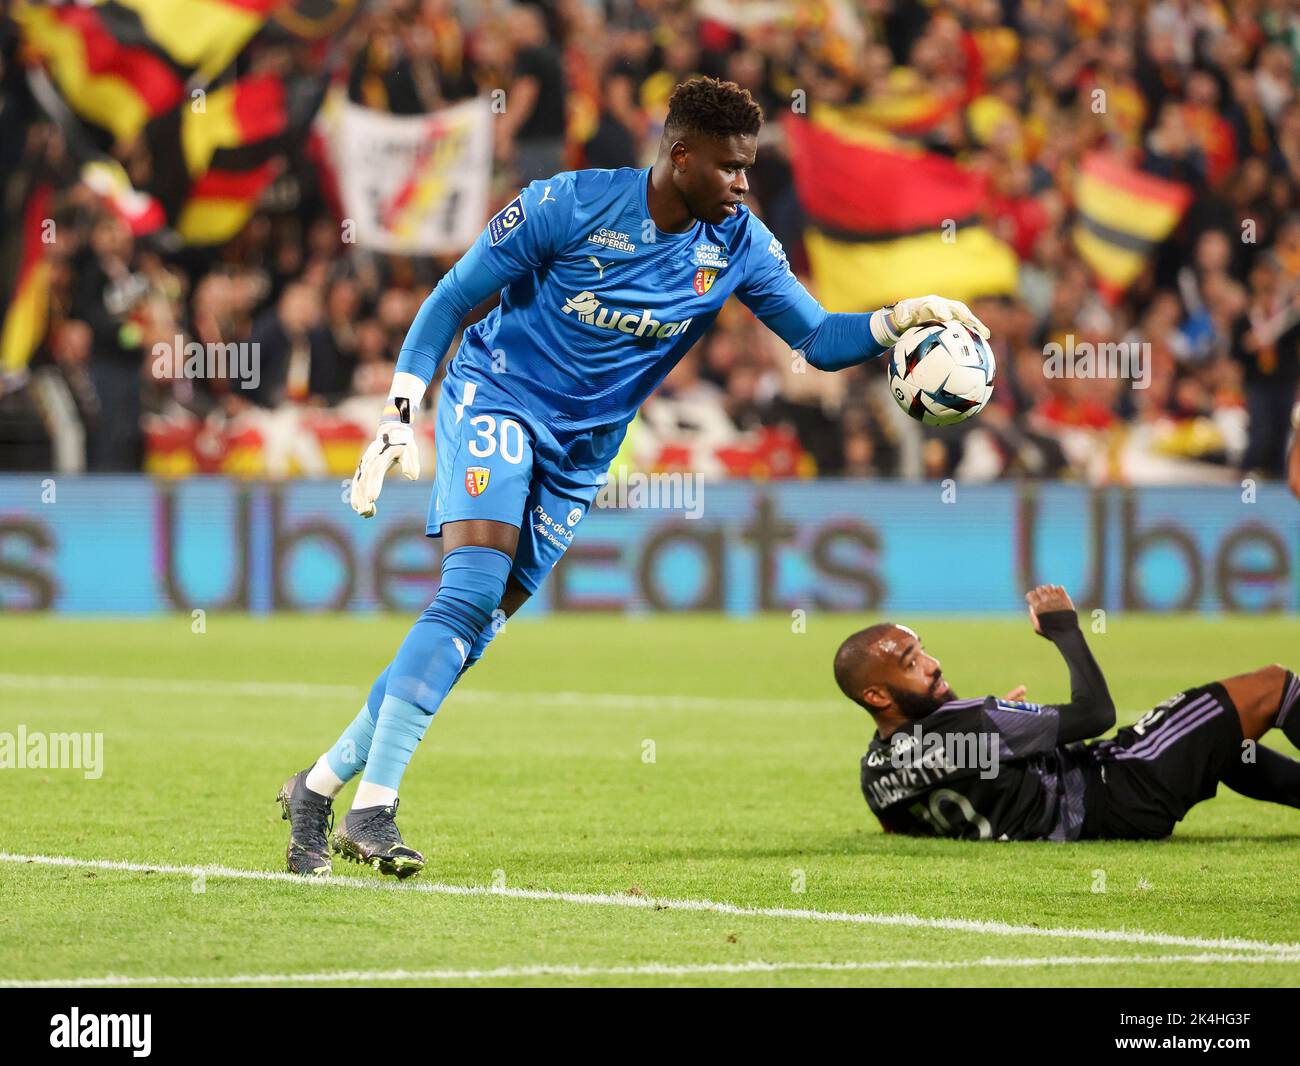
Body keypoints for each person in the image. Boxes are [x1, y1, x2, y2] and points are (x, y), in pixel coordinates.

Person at [276, 76, 989, 878]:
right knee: (468, 593)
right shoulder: (566, 205)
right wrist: (398, 411)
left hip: (582, 453)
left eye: (748, 167)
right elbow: (451, 299)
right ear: (680, 156)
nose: (744, 184)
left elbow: (819, 338)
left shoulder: (739, 244)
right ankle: (374, 808)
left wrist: (903, 316)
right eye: (729, 167)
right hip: (497, 400)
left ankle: (318, 785)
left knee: (471, 634)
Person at [837, 584, 1300, 841]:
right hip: (1121, 782)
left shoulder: (873, 775)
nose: (932, 665)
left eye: (924, 652)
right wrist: (1064, 629)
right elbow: (1096, 712)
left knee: (1229, 748)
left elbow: (904, 821)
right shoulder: (977, 725)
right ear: (877, 696)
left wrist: (1002, 736)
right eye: (912, 664)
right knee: (1273, 686)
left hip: (1093, 816)